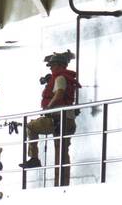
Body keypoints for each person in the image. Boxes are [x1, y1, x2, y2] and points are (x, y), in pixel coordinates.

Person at [19, 51, 80, 186]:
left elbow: (59, 94)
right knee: (62, 153)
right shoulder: (62, 78)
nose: (51, 68)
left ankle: (34, 157)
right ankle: (61, 184)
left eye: (52, 65)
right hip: (66, 120)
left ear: (59, 65)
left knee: (31, 126)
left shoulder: (60, 78)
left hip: (59, 119)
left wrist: (48, 108)